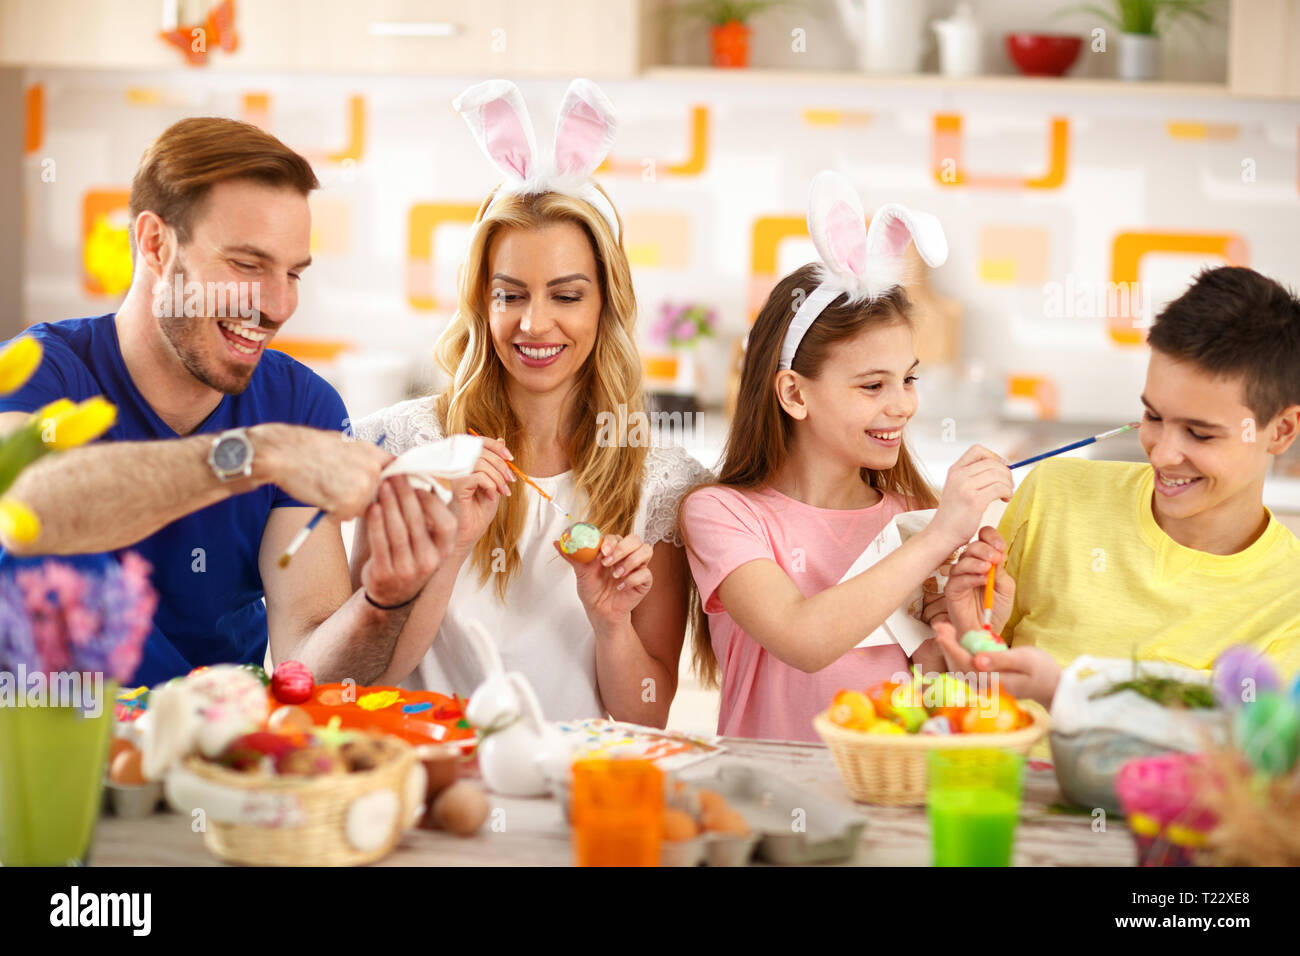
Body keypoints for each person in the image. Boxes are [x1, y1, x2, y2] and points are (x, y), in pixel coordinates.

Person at [0, 117, 458, 686]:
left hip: (211, 758)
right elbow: (26, 511)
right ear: (155, 243)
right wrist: (255, 454)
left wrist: (380, 605)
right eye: (247, 264)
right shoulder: (37, 372)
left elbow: (305, 667)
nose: (277, 305)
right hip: (44, 747)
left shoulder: (301, 406)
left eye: (293, 273)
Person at [350, 79, 711, 725]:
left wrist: (611, 625)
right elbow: (360, 678)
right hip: (428, 786)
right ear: (481, 303)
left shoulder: (660, 485)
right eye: (510, 295)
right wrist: (453, 545)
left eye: (567, 296)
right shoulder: (402, 452)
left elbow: (646, 718)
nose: (534, 324)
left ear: (606, 305)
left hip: (573, 795)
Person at [678, 171, 1013, 742]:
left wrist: (972, 626)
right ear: (794, 393)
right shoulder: (723, 514)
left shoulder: (911, 517)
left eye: (908, 379)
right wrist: (937, 538)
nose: (903, 405)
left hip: (890, 799)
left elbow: (941, 708)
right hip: (768, 804)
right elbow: (804, 639)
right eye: (872, 386)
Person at [932, 266, 1300, 707]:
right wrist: (977, 640)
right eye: (1154, 417)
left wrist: (1062, 693)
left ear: (1281, 431)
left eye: (1200, 433)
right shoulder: (1054, 494)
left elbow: (1241, 763)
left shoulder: (1289, 598)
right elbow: (975, 711)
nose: (1162, 454)